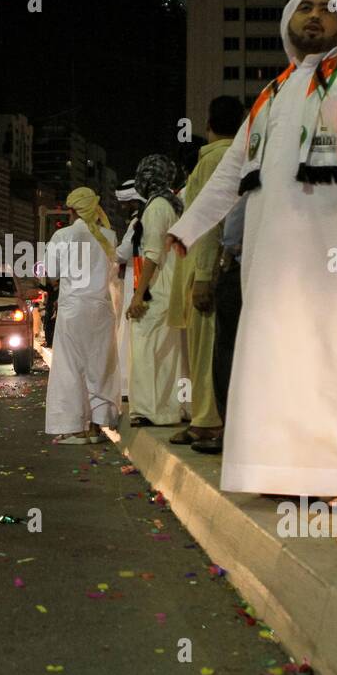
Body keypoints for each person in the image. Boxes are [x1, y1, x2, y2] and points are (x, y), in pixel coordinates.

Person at [167, 0, 337, 503]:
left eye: (328, 9)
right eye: (306, 8)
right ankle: (284, 470)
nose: (317, 16)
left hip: (335, 242)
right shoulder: (271, 94)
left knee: (335, 350)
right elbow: (230, 175)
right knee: (275, 354)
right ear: (286, 26)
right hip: (270, 256)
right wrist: (184, 231)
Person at [166, 98, 245, 447]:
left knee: (208, 350)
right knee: (215, 349)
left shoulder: (214, 159)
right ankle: (209, 420)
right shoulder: (239, 155)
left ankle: (208, 422)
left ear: (209, 123)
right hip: (222, 266)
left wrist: (201, 278)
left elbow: (210, 223)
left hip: (210, 269)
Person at [44, 187, 119, 444]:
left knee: (70, 367)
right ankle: (97, 427)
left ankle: (75, 428)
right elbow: (113, 274)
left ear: (71, 210)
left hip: (73, 309)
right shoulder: (109, 236)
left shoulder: (62, 235)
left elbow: (51, 272)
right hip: (101, 307)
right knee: (100, 365)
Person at [124, 155, 187, 427]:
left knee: (146, 349)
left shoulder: (156, 207)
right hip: (170, 287)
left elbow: (152, 255)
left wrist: (139, 294)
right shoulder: (169, 205)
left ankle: (150, 410)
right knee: (165, 352)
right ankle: (167, 410)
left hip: (158, 289)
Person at [112, 180, 142, 397]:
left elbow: (122, 253)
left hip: (137, 281)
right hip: (137, 280)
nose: (123, 208)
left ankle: (126, 386)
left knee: (130, 336)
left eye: (125, 204)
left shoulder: (137, 223)